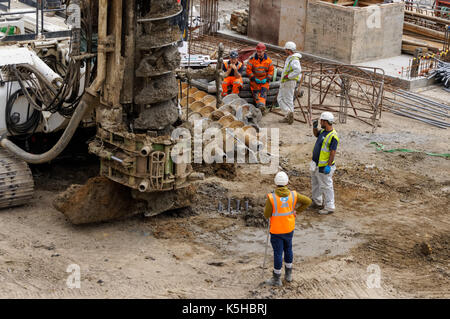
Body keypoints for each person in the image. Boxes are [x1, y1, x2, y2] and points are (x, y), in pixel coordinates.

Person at [264, 171, 312, 286]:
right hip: (289, 228)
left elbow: (267, 214)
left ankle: (276, 279)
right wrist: (297, 211)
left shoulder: (272, 197)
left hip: (276, 230)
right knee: (288, 249)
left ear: (276, 183)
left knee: (278, 253)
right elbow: (308, 201)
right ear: (286, 182)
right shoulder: (293, 195)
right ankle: (288, 275)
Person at [310, 112, 340, 215]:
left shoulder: (333, 136)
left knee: (326, 186)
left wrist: (329, 165)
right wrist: (314, 127)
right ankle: (317, 201)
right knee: (316, 183)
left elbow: (332, 152)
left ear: (325, 121)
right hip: (316, 164)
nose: (320, 122)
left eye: (321, 121)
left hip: (324, 166)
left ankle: (329, 206)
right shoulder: (323, 131)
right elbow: (316, 134)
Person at [278, 41, 302, 125]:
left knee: (286, 99)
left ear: (289, 49)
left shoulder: (294, 60)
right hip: (286, 82)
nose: (285, 50)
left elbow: (298, 70)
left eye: (286, 49)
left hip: (289, 82)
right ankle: (288, 114)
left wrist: (288, 76)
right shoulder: (291, 58)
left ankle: (289, 113)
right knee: (282, 99)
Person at [246, 42, 274, 114]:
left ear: (264, 51)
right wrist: (253, 78)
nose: (259, 53)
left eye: (260, 52)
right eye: (258, 52)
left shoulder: (268, 61)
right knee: (256, 92)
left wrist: (267, 79)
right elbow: (248, 70)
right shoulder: (252, 60)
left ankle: (261, 106)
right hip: (255, 80)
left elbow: (271, 71)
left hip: (264, 80)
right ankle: (260, 106)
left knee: (263, 92)